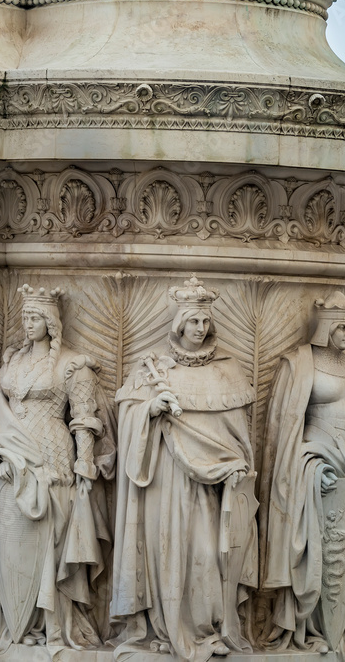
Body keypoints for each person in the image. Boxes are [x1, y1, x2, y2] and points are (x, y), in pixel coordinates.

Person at [112, 276, 258, 662]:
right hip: (166, 478)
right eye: (193, 321)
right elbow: (126, 417)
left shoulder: (227, 370)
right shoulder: (152, 367)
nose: (200, 328)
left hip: (212, 489)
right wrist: (150, 411)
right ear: (179, 323)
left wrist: (235, 465)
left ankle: (206, 628)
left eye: (205, 322)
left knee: (207, 554)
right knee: (167, 550)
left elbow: (238, 434)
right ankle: (165, 624)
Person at [0, 285, 115, 651]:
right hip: (11, 457)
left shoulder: (72, 364)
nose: (28, 323)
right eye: (25, 317)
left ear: (52, 322)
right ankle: (13, 618)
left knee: (51, 535)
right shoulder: (12, 361)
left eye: (36, 317)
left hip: (53, 453)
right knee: (10, 537)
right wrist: (1, 451)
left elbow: (85, 419)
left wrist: (85, 463)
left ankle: (48, 619)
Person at [264, 291, 345, 654]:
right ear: (326, 328)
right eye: (342, 327)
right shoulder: (300, 365)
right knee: (318, 548)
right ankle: (309, 628)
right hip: (315, 462)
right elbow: (287, 428)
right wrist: (307, 467)